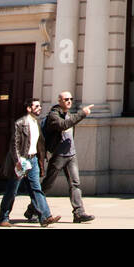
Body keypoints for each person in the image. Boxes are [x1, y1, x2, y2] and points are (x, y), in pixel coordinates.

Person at [25, 92, 95, 224]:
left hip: (71, 155)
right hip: (58, 155)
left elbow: (69, 124)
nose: (69, 101)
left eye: (71, 99)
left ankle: (79, 212)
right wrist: (82, 114)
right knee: (47, 184)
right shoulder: (53, 115)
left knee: (75, 183)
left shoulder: (69, 115)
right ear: (59, 100)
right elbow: (64, 125)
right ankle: (32, 209)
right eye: (66, 99)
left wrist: (78, 115)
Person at [0, 98, 59, 227]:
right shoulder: (20, 123)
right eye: (36, 106)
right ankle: (3, 217)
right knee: (12, 190)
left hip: (33, 160)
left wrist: (41, 159)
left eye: (40, 106)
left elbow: (39, 144)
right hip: (22, 160)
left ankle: (45, 217)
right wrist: (18, 161)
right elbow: (14, 144)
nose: (39, 108)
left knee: (36, 189)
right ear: (29, 108)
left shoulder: (37, 123)